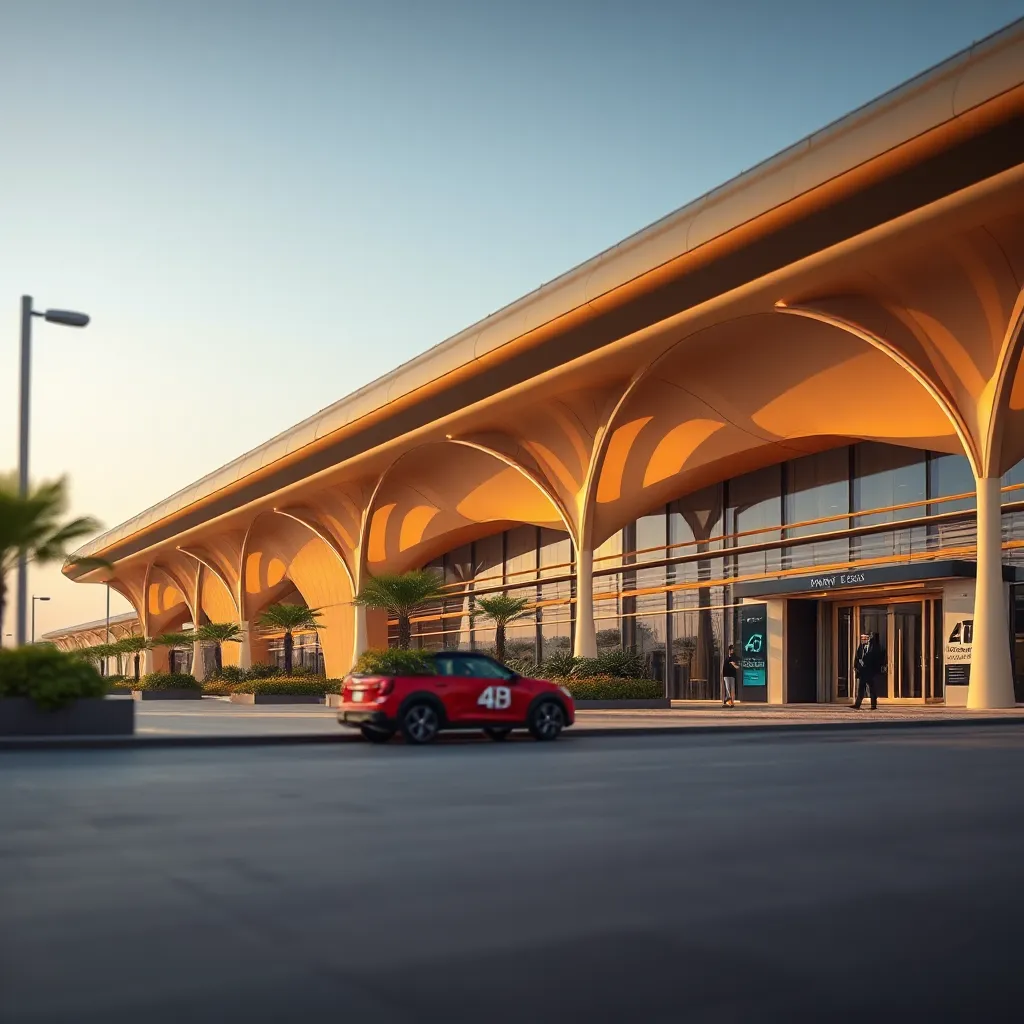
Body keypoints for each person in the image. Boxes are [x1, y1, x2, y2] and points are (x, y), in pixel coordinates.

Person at [853, 631, 883, 709]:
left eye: (864, 638)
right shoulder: (861, 647)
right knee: (861, 689)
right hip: (862, 672)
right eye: (862, 638)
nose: (863, 640)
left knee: (872, 689)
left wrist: (877, 669)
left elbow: (877, 659)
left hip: (871, 672)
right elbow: (857, 657)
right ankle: (857, 704)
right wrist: (856, 666)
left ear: (868, 639)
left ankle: (873, 705)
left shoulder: (874, 647)